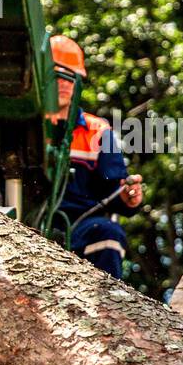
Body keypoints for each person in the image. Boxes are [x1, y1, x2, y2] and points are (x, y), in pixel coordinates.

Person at [47, 35, 143, 279]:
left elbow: (114, 192)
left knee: (108, 234)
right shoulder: (20, 125)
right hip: (26, 224)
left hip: (80, 226)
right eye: (59, 73)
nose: (66, 82)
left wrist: (129, 198)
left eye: (72, 75)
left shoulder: (98, 131)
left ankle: (109, 312)